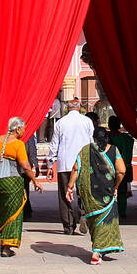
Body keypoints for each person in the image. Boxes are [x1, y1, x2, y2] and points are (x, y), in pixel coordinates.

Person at [0, 117, 42, 256]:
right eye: (23, 128)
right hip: (13, 182)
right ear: (18, 129)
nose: (24, 131)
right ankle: (7, 246)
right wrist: (35, 181)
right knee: (14, 214)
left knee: (1, 213)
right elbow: (25, 166)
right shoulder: (18, 145)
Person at [66, 126, 126, 264]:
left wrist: (69, 187)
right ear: (107, 137)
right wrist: (115, 186)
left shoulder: (85, 150)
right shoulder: (114, 150)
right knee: (106, 221)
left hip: (90, 194)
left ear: (93, 138)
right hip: (107, 193)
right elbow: (121, 171)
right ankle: (97, 252)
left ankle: (98, 249)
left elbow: (76, 168)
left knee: (95, 221)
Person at [50, 99, 93, 234]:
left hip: (66, 163)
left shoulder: (61, 122)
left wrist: (50, 162)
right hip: (83, 161)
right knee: (85, 191)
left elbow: (54, 143)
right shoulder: (87, 121)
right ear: (79, 108)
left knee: (64, 194)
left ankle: (68, 225)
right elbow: (91, 141)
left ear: (67, 109)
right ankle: (83, 213)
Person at [107, 115, 135, 222]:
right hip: (122, 167)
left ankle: (109, 210)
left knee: (108, 189)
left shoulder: (106, 138)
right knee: (122, 190)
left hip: (108, 167)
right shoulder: (126, 139)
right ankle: (122, 211)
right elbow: (128, 153)